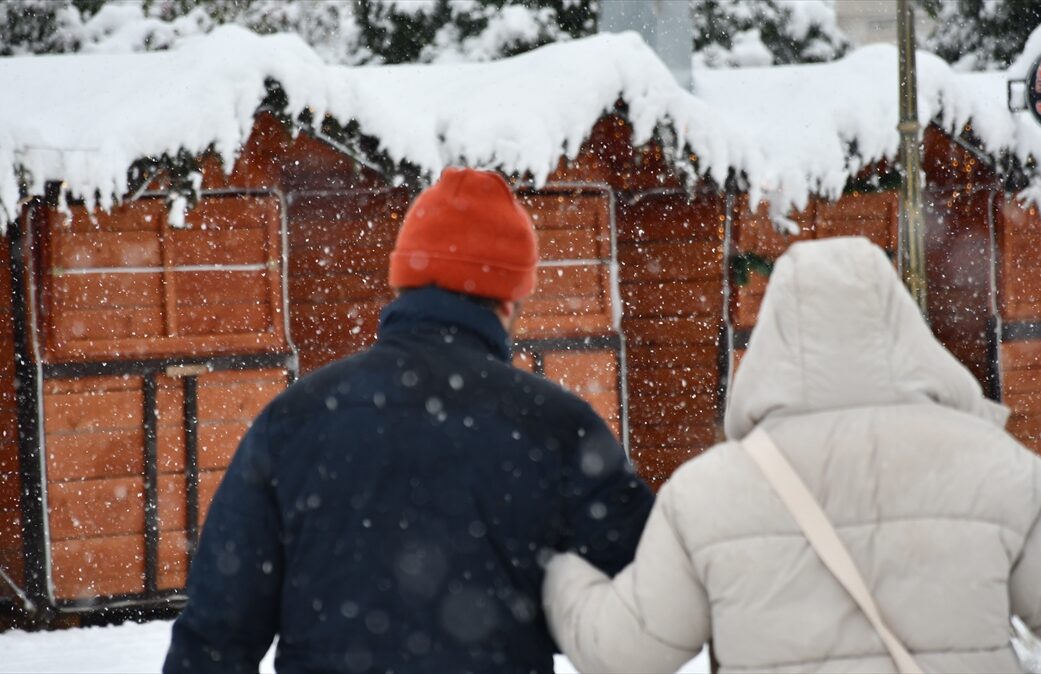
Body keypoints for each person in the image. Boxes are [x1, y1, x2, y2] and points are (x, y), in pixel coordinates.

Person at [163, 167, 654, 674]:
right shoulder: (557, 428)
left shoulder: (293, 421)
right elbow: (652, 585)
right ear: (510, 299)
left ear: (403, 283)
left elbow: (214, 636)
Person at [543, 236, 1041, 673]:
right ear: (900, 326)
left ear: (774, 335)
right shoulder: (1001, 471)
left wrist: (558, 572)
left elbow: (626, 654)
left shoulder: (706, 494)